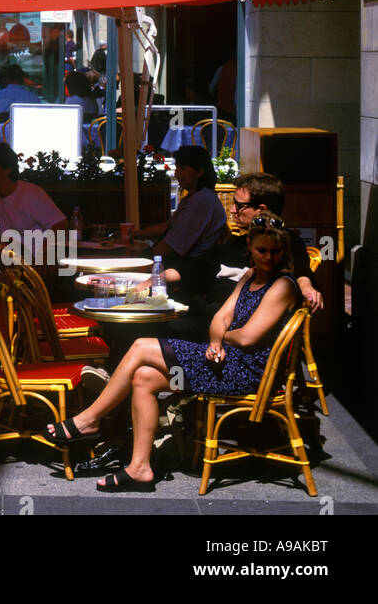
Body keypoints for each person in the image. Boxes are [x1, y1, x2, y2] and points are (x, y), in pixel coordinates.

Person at [47, 215, 299, 492]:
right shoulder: (251, 276)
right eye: (261, 250)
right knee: (143, 376)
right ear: (249, 247)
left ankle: (88, 420)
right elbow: (220, 319)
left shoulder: (282, 285)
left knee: (142, 345)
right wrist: (216, 342)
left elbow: (248, 338)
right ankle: (139, 467)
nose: (268, 257)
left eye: (275, 251)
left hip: (247, 373)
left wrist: (222, 338)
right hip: (224, 358)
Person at [135, 144, 228, 309]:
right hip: (179, 268)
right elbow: (168, 226)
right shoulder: (194, 197)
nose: (177, 173)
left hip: (188, 276)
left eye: (183, 168)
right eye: (177, 167)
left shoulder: (202, 202)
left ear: (199, 172)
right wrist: (134, 235)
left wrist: (138, 256)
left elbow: (168, 247)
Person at [219, 171, 321, 312]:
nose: (232, 210)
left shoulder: (285, 240)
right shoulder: (237, 242)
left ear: (261, 210)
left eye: (239, 205)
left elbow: (301, 272)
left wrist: (307, 288)